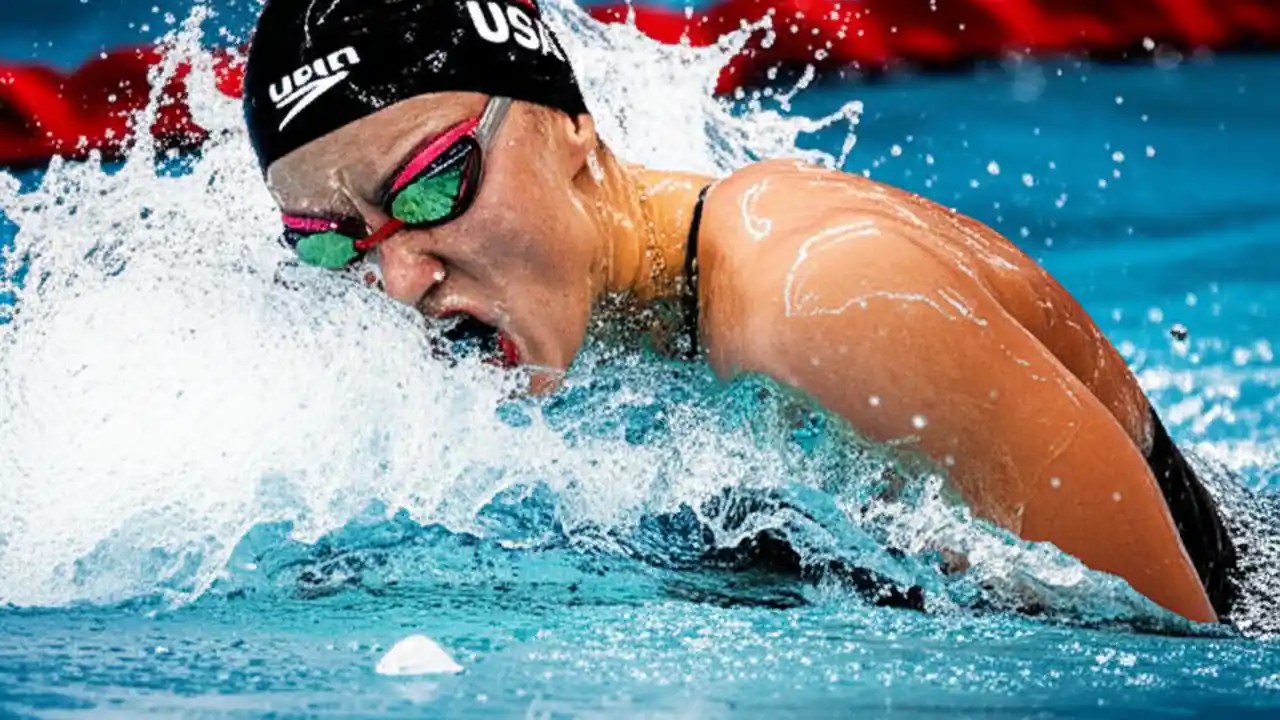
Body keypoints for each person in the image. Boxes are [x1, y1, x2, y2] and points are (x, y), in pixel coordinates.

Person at [242, 0, 1237, 624]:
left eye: (429, 186)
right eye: (335, 240)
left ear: (573, 131)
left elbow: (1168, 653)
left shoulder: (821, 300)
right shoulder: (599, 311)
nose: (400, 280)